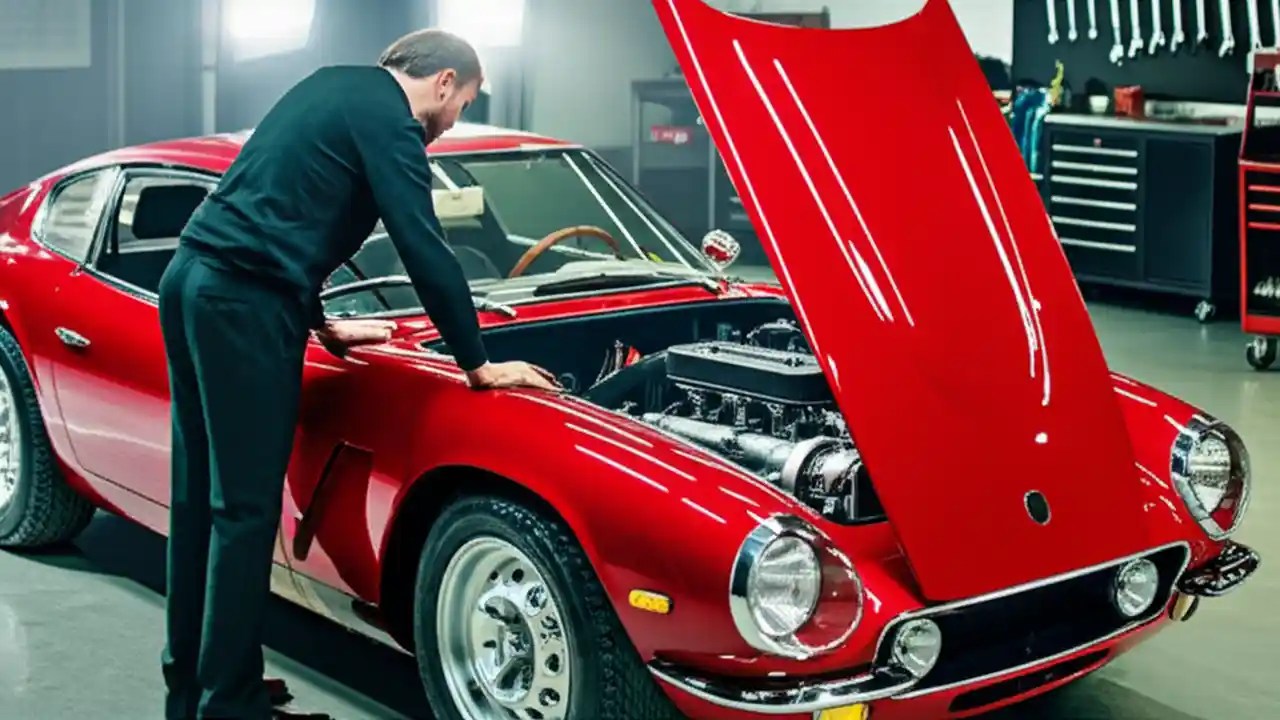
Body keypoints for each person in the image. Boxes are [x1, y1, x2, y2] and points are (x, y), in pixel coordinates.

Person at [156, 28, 559, 720]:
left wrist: (317, 322)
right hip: (243, 305)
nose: (453, 117)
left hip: (191, 281)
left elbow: (277, 206)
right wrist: (478, 362)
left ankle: (197, 684)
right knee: (245, 513)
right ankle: (230, 706)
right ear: (442, 83)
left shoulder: (332, 86)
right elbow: (423, 243)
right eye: (461, 102)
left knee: (200, 503)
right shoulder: (394, 124)